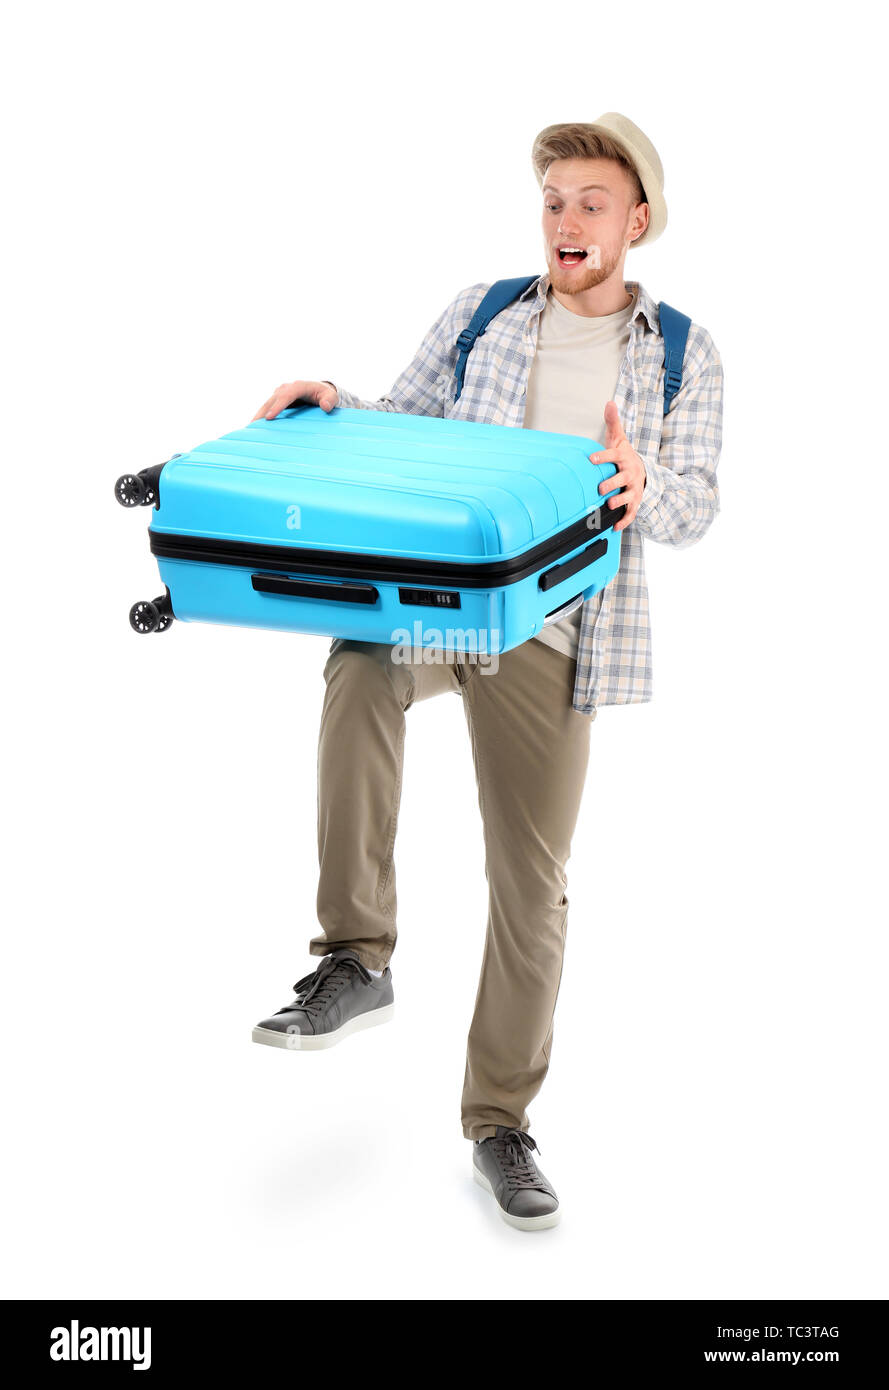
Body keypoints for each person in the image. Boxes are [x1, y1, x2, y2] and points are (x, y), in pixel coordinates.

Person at [249, 113, 724, 1231]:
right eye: (553, 200)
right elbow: (397, 421)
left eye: (590, 203)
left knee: (531, 889)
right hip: (440, 610)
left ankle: (499, 1123)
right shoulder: (481, 313)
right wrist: (329, 400)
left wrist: (639, 479)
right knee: (357, 663)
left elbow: (699, 499)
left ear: (636, 223)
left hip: (559, 639)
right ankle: (356, 956)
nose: (565, 220)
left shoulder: (679, 351)